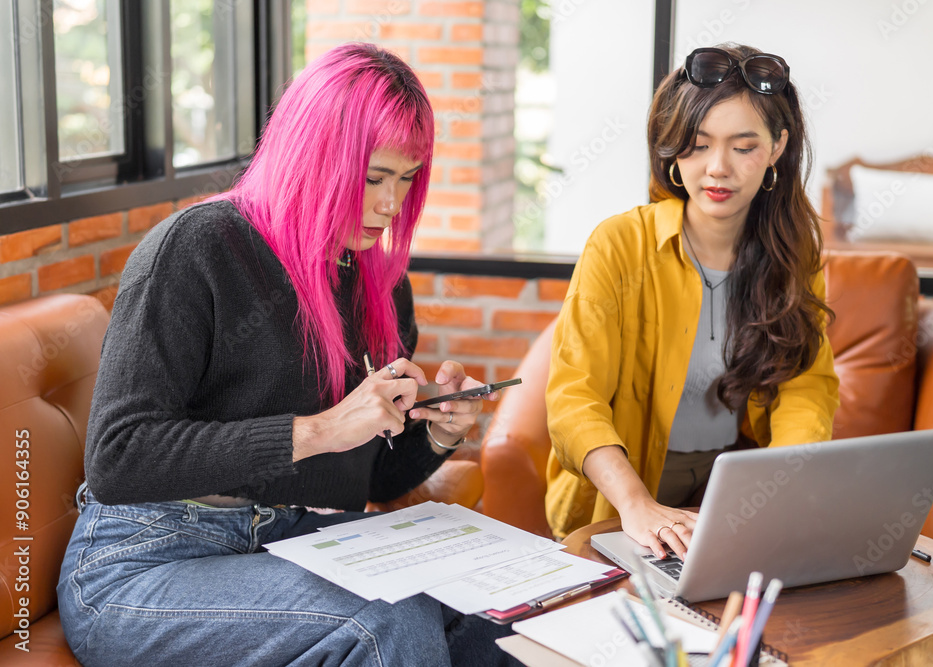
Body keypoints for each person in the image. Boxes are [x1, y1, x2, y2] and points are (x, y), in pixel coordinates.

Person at [57, 43, 518, 667]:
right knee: (385, 620)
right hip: (147, 558)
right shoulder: (198, 247)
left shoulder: (378, 284)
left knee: (492, 612)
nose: (392, 205)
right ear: (315, 157)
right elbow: (119, 458)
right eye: (375, 177)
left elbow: (370, 478)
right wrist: (322, 428)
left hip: (293, 541)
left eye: (407, 180)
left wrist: (433, 435)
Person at [544, 44, 840, 557]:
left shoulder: (795, 255)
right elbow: (574, 397)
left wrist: (773, 494)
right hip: (621, 492)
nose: (717, 169)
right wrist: (637, 504)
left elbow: (806, 390)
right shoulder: (619, 244)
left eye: (743, 147)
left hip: (731, 486)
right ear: (672, 150)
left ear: (777, 148)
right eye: (698, 146)